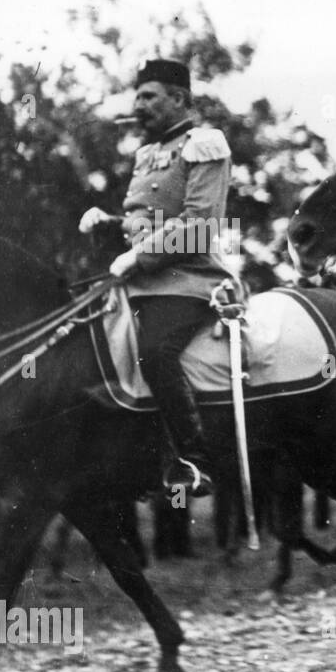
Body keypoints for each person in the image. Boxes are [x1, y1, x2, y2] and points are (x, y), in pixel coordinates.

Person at [79, 59, 233, 496]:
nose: (138, 105)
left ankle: (194, 461)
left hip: (187, 280)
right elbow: (144, 222)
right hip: (139, 281)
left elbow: (201, 226)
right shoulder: (147, 153)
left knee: (155, 350)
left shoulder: (206, 144)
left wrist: (137, 258)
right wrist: (109, 222)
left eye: (149, 96)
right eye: (138, 96)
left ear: (179, 98)